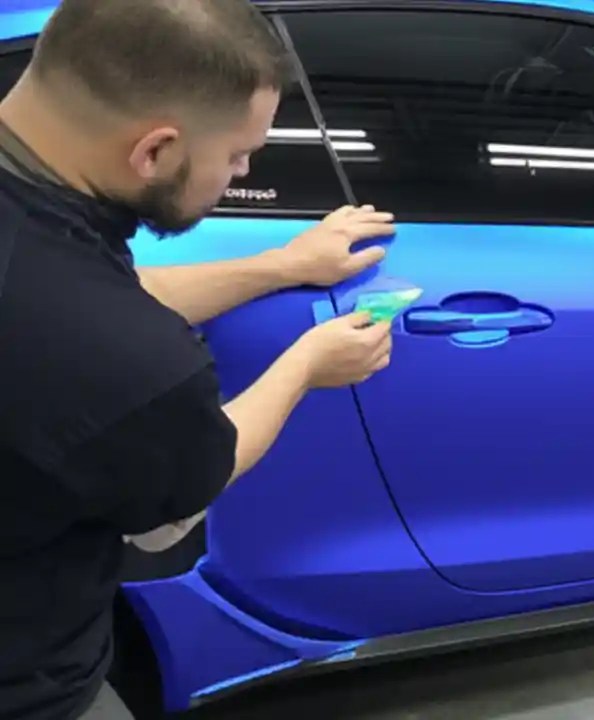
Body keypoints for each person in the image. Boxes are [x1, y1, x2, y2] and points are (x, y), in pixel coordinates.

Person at [0, 1, 398, 718]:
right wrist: (307, 363)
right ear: (153, 152)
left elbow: (100, 291)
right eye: (238, 156)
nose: (240, 171)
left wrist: (281, 266)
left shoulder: (43, 249)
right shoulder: (131, 365)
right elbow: (190, 484)